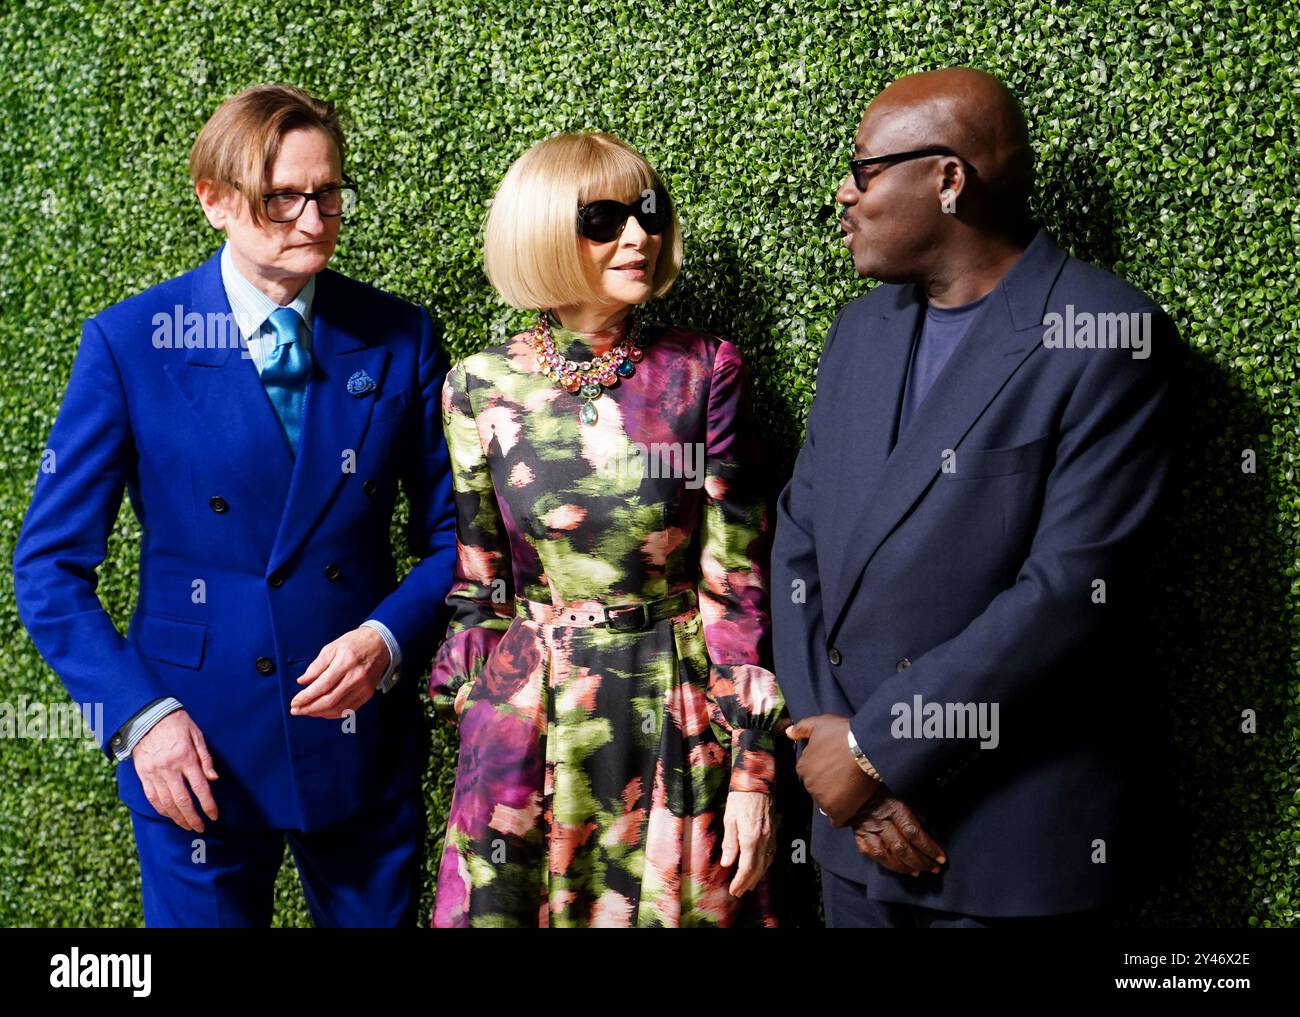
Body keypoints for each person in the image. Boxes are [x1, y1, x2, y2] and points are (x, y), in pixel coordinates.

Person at [12, 83, 457, 927]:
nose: (315, 217)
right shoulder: (130, 341)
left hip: (357, 735)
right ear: (213, 200)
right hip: (192, 748)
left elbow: (455, 540)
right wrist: (140, 719)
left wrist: (387, 637)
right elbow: (47, 567)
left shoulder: (402, 334)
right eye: (282, 196)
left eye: (328, 193)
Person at [772, 67, 1175, 927]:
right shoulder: (859, 330)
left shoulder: (1107, 334)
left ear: (949, 178)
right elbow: (799, 537)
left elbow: (1070, 594)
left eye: (864, 169)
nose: (844, 193)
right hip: (851, 841)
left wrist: (876, 750)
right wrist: (832, 757)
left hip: (1008, 853)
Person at [430, 131, 785, 927]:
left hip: (673, 709)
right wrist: (479, 707)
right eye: (604, 219)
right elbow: (479, 578)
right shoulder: (478, 387)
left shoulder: (703, 371)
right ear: (546, 229)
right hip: (528, 724)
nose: (638, 236)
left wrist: (754, 767)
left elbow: (736, 582)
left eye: (647, 213)